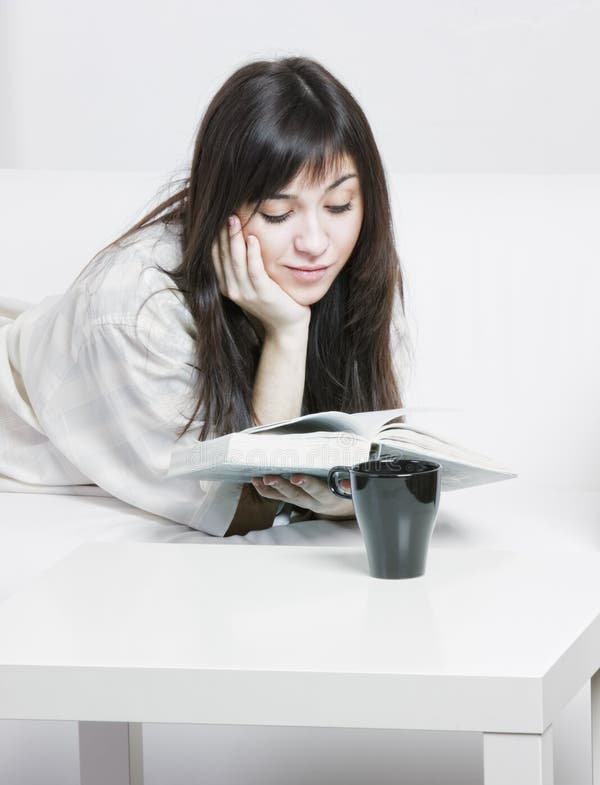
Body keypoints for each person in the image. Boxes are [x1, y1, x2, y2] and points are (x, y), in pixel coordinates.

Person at [0, 56, 412, 537]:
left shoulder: (349, 265)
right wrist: (287, 331)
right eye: (279, 213)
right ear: (220, 206)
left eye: (339, 205)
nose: (316, 242)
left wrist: (348, 497)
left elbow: (372, 454)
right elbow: (242, 509)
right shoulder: (135, 309)